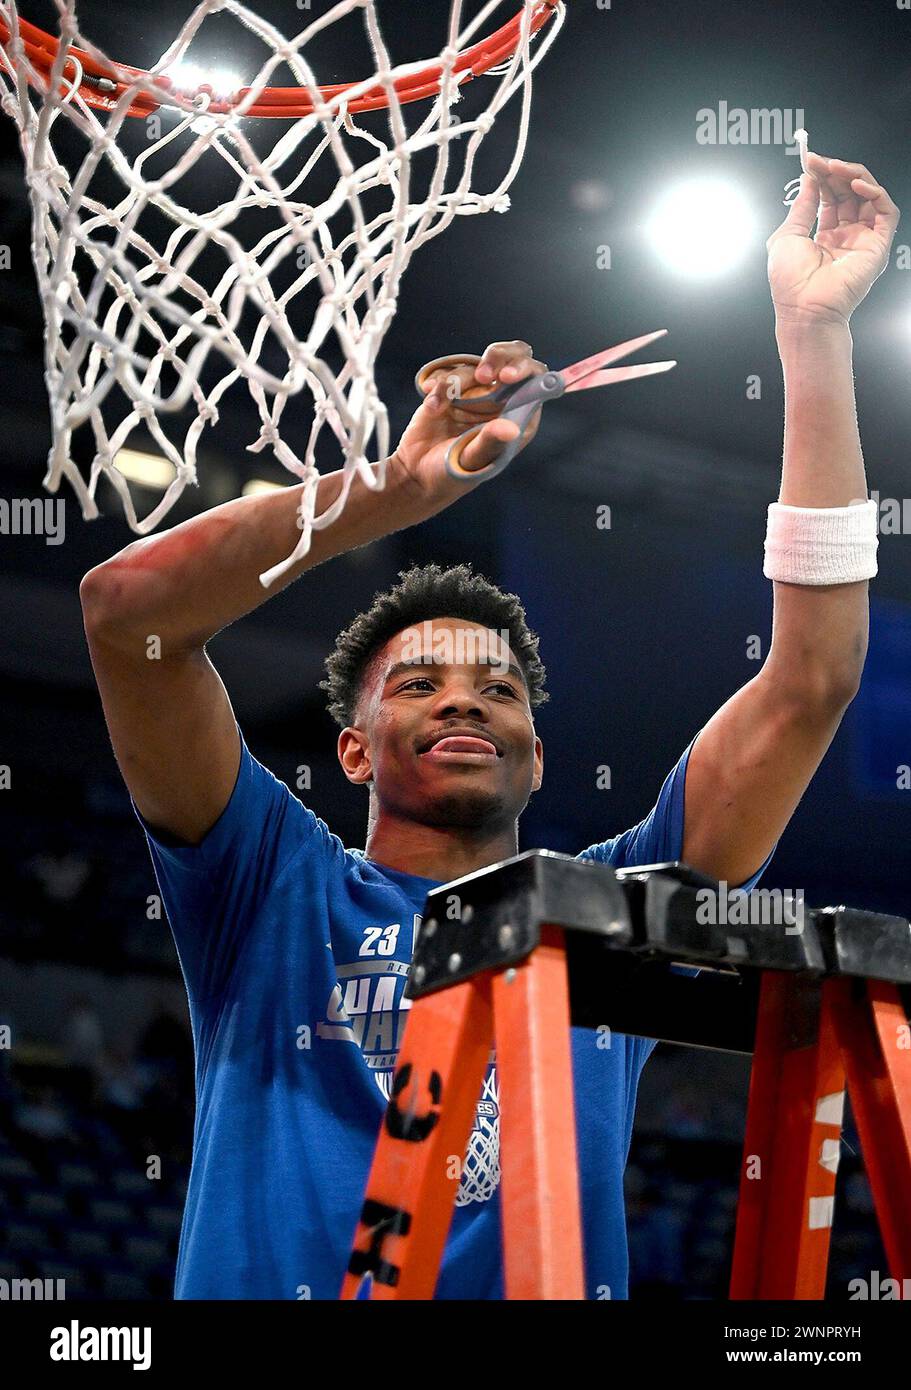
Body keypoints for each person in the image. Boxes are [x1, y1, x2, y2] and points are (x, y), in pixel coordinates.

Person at [79, 153, 898, 1299]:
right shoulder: (268, 883)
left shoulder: (611, 911)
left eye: (498, 688)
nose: (464, 696)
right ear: (352, 750)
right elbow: (125, 619)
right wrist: (400, 488)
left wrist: (811, 337)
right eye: (418, 685)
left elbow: (811, 678)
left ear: (536, 753)